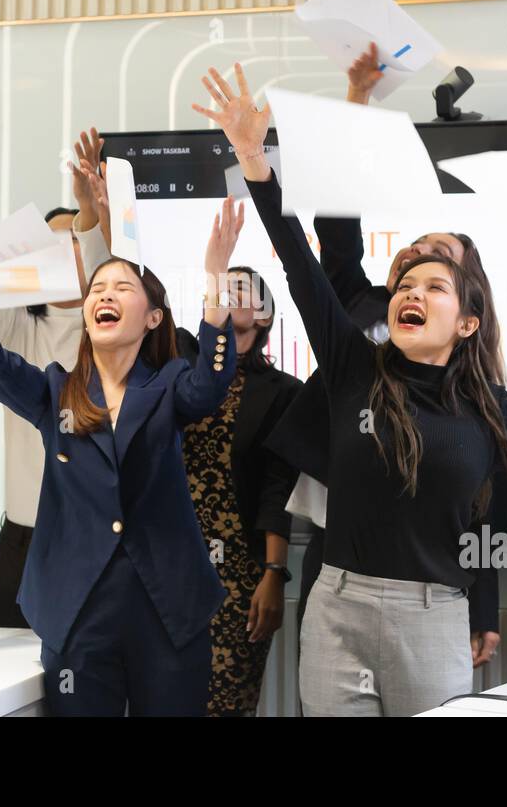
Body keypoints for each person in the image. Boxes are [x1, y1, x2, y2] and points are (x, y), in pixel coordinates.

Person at [197, 62, 507, 715]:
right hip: (336, 605)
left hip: (434, 619)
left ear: (468, 319)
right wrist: (253, 156)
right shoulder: (353, 362)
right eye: (404, 285)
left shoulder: (489, 407)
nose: (411, 293)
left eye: (434, 285)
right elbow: (302, 256)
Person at [0, 160, 242, 715]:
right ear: (86, 314)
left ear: (154, 317)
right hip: (78, 609)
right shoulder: (56, 391)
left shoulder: (171, 384)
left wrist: (215, 276)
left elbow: (211, 382)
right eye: (97, 288)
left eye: (122, 287)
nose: (104, 294)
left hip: (167, 611)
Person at [269, 42, 507, 666]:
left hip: (427, 566)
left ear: (467, 306)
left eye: (440, 260)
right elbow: (336, 230)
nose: (418, 257)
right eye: (414, 251)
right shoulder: (359, 306)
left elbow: (482, 506)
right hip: (337, 535)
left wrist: (483, 605)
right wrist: (357, 105)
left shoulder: (474, 386)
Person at [0, 126, 112, 629]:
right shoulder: (17, 324)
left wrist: (91, 210)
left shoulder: (110, 333)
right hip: (23, 537)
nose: (65, 251)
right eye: (51, 242)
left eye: (75, 240)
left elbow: (104, 271)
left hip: (94, 537)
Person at [177, 266, 301, 716]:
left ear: (265, 316)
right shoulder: (180, 371)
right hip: (169, 563)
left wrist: (273, 573)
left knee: (226, 705)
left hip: (238, 573)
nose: (228, 294)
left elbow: (277, 488)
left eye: (241, 290)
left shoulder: (284, 392)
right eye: (220, 287)